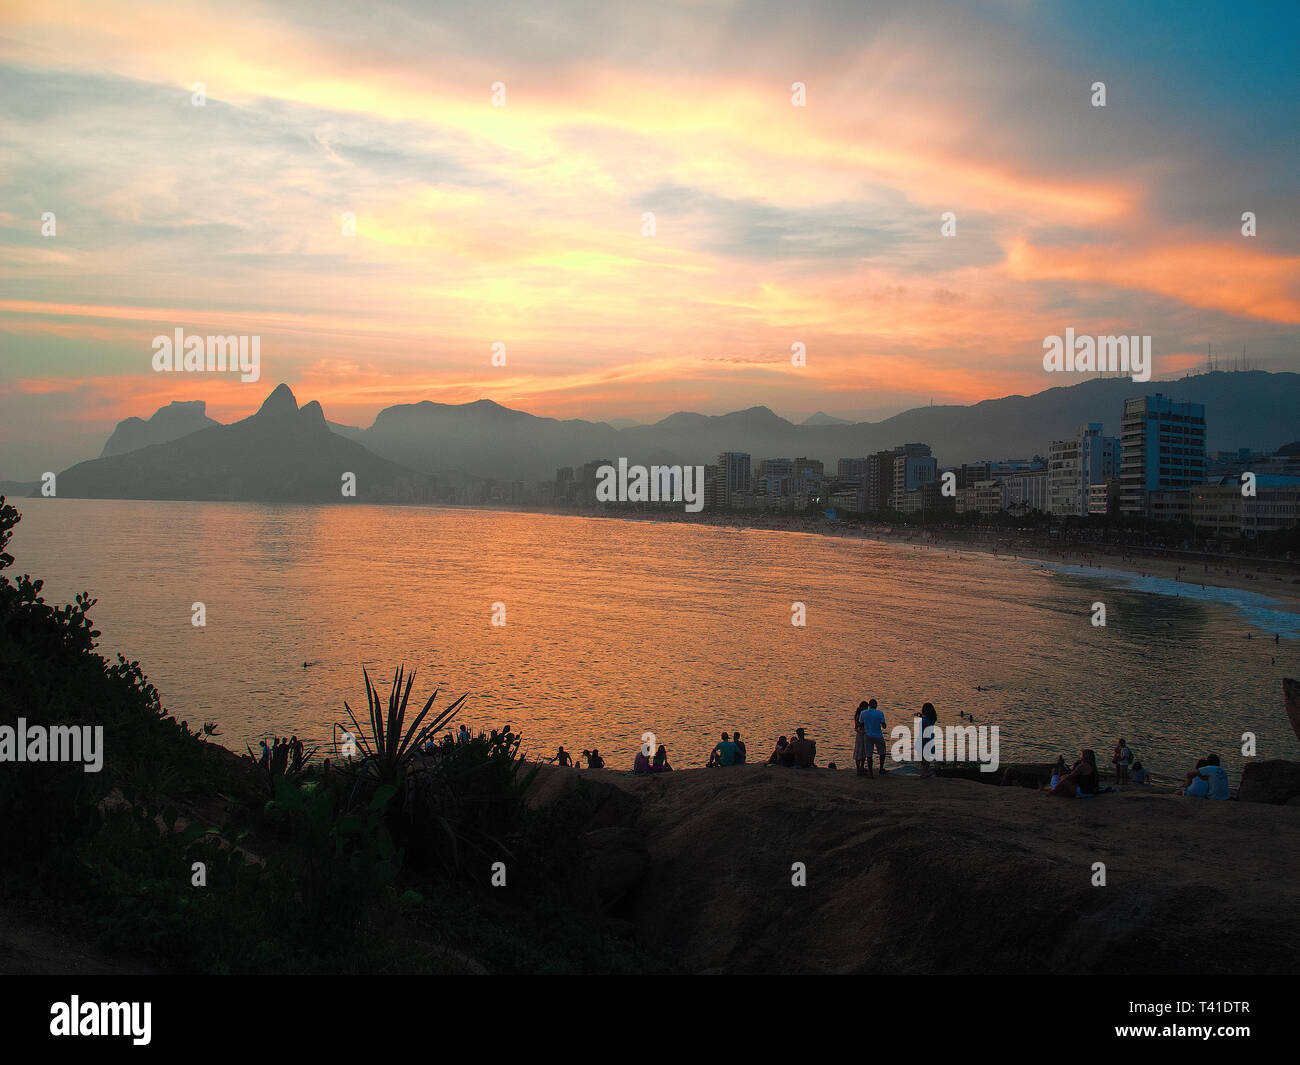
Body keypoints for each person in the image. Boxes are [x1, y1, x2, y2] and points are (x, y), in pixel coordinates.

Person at [859, 699, 887, 777]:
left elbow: (861, 724)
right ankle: (881, 768)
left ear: (869, 705)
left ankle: (870, 772)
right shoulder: (880, 713)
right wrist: (882, 723)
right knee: (882, 752)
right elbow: (884, 726)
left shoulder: (863, 713)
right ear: (876, 705)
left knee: (869, 754)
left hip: (867, 735)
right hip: (878, 735)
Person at [919, 702, 938, 778]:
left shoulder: (924, 721)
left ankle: (926, 772)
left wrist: (922, 741)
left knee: (923, 756)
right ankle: (926, 771)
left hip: (926, 738)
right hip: (931, 738)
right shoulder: (931, 719)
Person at [852, 700, 869, 775]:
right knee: (859, 751)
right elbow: (856, 728)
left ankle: (861, 767)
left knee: (863, 752)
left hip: (864, 734)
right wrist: (861, 732)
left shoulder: (863, 714)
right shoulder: (859, 715)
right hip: (860, 735)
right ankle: (858, 769)